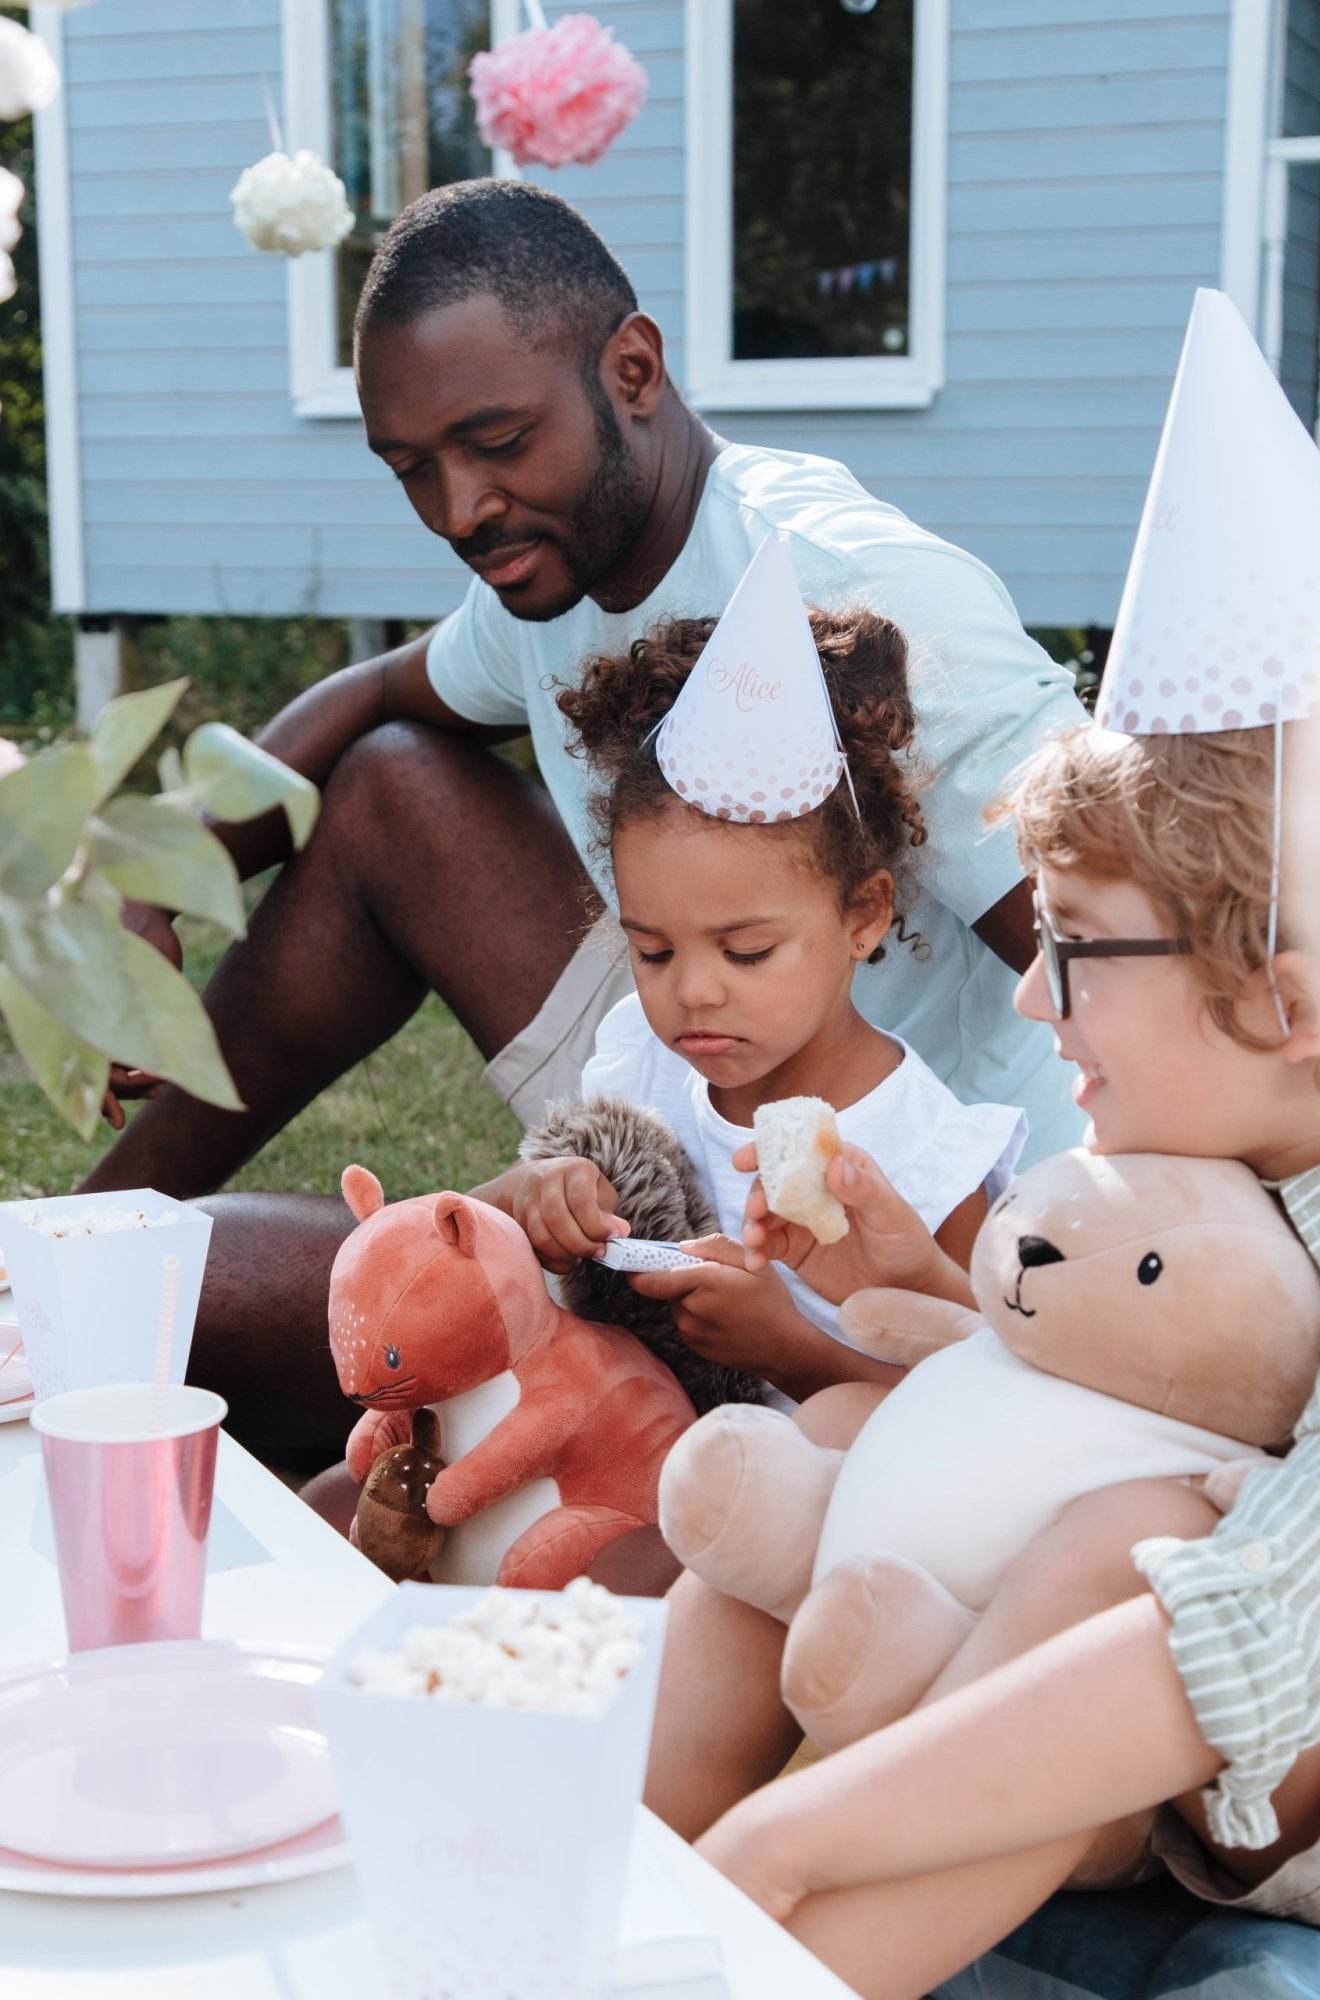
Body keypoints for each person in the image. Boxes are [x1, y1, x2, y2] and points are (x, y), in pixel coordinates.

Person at [78, 178, 1084, 1466]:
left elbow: (1111, 932)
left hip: (893, 1186)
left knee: (258, 1311)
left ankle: (124, 1294)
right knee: (394, 776)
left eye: (497, 442)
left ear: (632, 369)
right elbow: (366, 698)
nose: (459, 510)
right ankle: (70, 1245)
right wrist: (162, 875)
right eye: (412, 471)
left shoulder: (868, 594)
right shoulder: (550, 584)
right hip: (680, 1063)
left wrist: (1081, 1271)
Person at [671, 719, 1320, 1999]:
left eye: (1074, 944)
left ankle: (760, 1962)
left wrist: (789, 1837)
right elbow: (1174, 1400)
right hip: (1140, 1783)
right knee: (839, 1439)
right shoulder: (1219, 1148)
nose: (1033, 994)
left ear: (1280, 999)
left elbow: (1259, 1636)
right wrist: (911, 1284)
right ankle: (598, 1878)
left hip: (1269, 1784)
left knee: (1121, 1537)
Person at [474, 579, 1023, 1406]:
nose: (692, 992)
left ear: (863, 917)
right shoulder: (641, 1066)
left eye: (747, 952)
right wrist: (527, 1201)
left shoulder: (924, 1155)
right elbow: (467, 1233)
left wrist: (790, 1353)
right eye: (652, 950)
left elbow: (986, 1407)